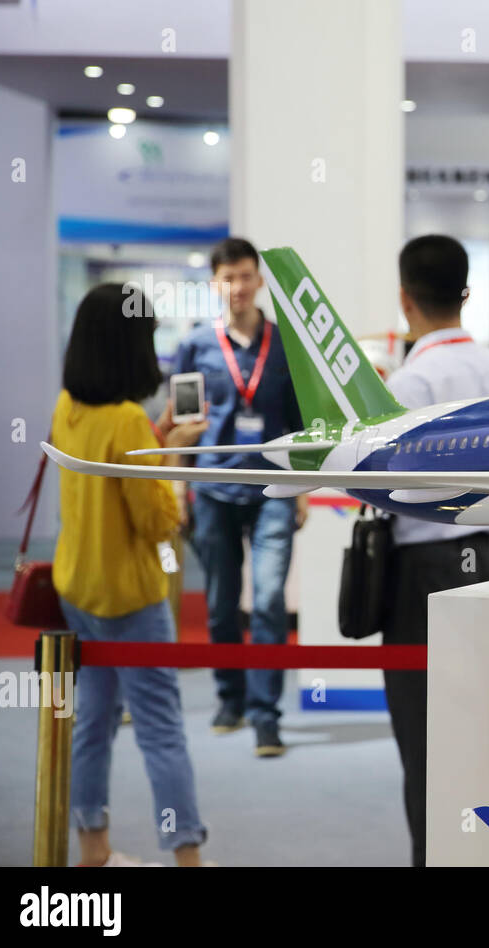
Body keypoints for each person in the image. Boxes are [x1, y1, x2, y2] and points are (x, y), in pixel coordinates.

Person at [382, 234, 489, 866]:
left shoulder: (407, 384)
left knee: (424, 738)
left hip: (424, 572)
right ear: (466, 293)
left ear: (405, 299)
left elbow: (386, 490)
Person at [52, 283, 209, 865]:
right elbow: (159, 522)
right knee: (162, 730)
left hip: (79, 590)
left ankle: (93, 847)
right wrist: (172, 455)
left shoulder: (68, 405)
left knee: (91, 727)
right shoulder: (125, 422)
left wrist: (156, 442)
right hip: (133, 601)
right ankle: (187, 854)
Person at [172, 237, 307, 758]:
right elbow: (185, 427)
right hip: (213, 489)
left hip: (273, 486)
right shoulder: (196, 346)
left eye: (247, 276)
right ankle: (230, 699)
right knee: (223, 602)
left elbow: (300, 424)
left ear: (260, 279)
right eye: (229, 278)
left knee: (270, 600)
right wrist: (181, 484)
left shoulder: (284, 343)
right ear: (215, 283)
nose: (239, 287)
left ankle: (266, 715)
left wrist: (301, 489)